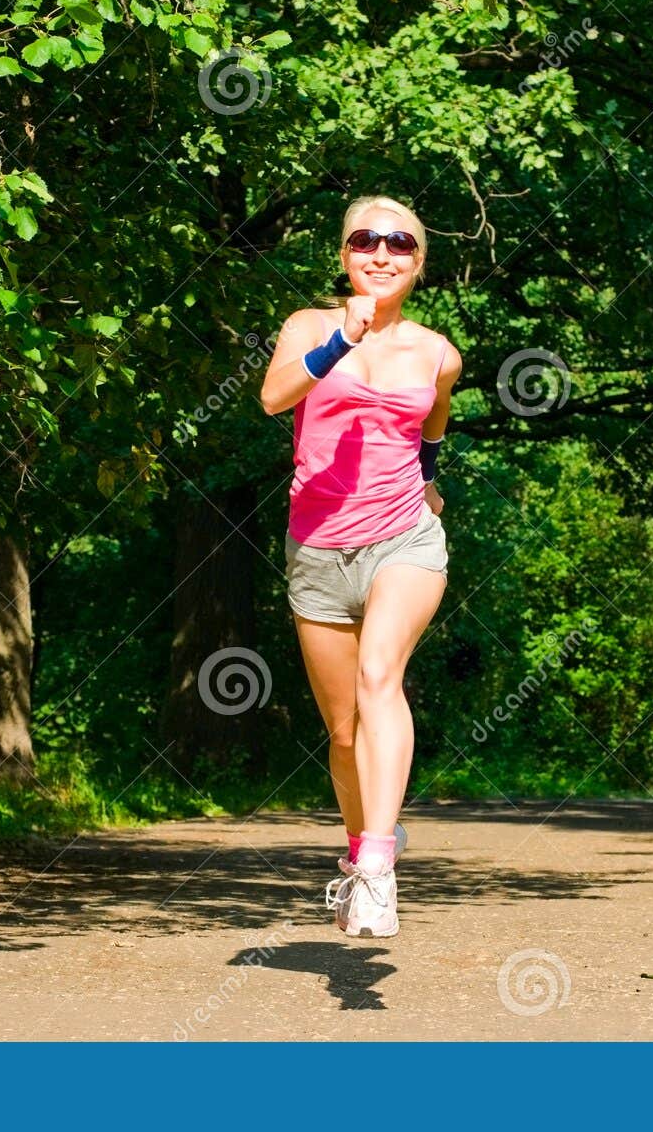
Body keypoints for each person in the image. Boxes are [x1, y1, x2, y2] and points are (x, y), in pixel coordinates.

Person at [259, 195, 461, 938]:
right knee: (343, 733)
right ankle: (359, 849)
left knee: (383, 674)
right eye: (365, 241)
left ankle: (378, 866)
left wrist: (431, 474)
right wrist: (342, 338)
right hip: (316, 549)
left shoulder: (439, 352)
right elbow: (274, 397)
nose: (381, 253)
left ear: (418, 260)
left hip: (404, 539)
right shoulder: (310, 327)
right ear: (343, 254)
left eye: (399, 242)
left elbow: (432, 417)